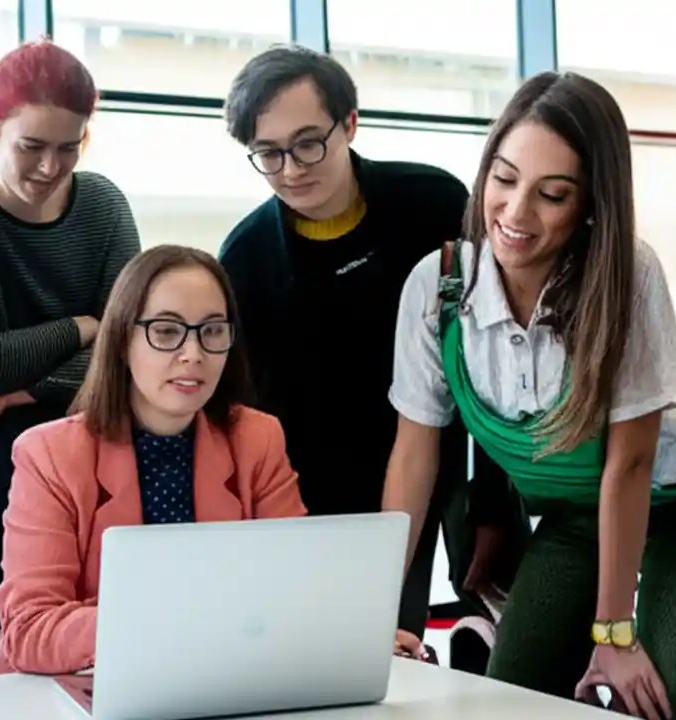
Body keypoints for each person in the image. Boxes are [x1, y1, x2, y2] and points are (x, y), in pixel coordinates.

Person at [383, 71, 676, 719]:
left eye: (551, 194)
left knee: (654, 705)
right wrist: (378, 613)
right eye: (504, 179)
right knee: (510, 698)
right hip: (578, 517)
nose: (516, 214)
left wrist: (613, 634)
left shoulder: (625, 278)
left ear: (588, 205)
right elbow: (415, 459)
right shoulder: (440, 288)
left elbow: (629, 464)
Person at [0, 245, 425, 675]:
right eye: (167, 331)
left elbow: (293, 587)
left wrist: (354, 632)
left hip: (218, 677)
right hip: (70, 689)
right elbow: (30, 630)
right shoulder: (50, 454)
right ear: (120, 342)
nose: (193, 354)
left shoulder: (256, 437)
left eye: (212, 330)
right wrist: (186, 622)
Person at [217, 45, 524, 649]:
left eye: (309, 142)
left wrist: (490, 501)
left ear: (350, 123)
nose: (292, 168)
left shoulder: (432, 203)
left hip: (440, 456)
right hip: (313, 487)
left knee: (460, 626)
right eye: (269, 153)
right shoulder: (246, 258)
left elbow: (494, 355)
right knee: (350, 647)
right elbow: (247, 411)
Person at [0, 39, 141, 678]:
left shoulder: (102, 206)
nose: (51, 167)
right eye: (31, 147)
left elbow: (131, 346)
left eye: (68, 147)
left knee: (86, 620)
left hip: (81, 420)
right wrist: (87, 324)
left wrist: (25, 388)